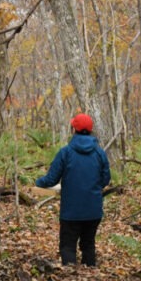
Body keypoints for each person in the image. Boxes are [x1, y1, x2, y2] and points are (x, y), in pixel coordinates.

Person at [35, 113, 111, 268]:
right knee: (88, 245)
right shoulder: (99, 153)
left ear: (74, 130)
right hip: (93, 211)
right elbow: (105, 180)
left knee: (68, 246)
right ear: (91, 131)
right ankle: (89, 277)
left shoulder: (66, 152)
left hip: (71, 212)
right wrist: (93, 189)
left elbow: (51, 180)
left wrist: (38, 182)